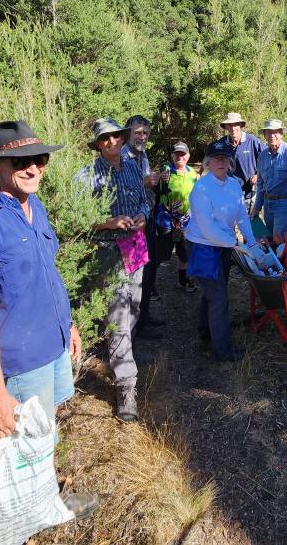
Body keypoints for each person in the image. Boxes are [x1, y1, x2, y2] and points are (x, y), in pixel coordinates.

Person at [0, 120, 99, 519]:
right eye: (20, 161)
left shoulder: (35, 207)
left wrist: (66, 324)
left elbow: (46, 274)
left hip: (52, 345)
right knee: (20, 446)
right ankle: (15, 523)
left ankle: (44, 503)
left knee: (42, 435)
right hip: (20, 362)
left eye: (39, 158)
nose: (33, 168)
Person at [75, 117, 150, 422]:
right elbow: (78, 218)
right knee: (118, 317)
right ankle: (126, 387)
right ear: (97, 144)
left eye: (116, 136)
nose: (113, 142)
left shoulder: (132, 166)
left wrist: (142, 216)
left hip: (137, 246)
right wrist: (108, 222)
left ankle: (120, 353)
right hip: (109, 252)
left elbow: (144, 201)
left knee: (132, 308)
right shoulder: (86, 175)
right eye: (105, 139)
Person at [185, 141, 256, 362]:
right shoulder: (202, 188)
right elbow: (207, 228)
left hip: (224, 245)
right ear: (207, 162)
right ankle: (222, 351)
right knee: (219, 298)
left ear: (230, 162)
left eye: (225, 158)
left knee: (215, 291)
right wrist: (235, 243)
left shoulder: (234, 184)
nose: (221, 162)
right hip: (203, 246)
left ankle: (204, 330)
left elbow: (242, 216)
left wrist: (251, 241)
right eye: (216, 158)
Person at [122, 115, 167, 341]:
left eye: (146, 133)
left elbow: (144, 183)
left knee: (148, 272)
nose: (142, 137)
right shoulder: (122, 156)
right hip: (130, 227)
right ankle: (132, 329)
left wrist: (155, 180)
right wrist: (145, 182)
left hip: (145, 220)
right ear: (127, 133)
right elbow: (121, 188)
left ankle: (143, 316)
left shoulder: (142, 154)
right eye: (138, 133)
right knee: (134, 276)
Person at [250, 118, 287, 246]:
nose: (272, 135)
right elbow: (260, 185)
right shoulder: (263, 156)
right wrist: (257, 207)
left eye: (276, 132)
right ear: (264, 135)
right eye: (269, 132)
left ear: (282, 133)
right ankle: (274, 265)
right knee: (268, 241)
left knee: (279, 241)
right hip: (267, 203)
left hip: (285, 204)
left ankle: (282, 266)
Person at [207, 112, 265, 212]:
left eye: (235, 124)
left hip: (249, 191)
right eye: (229, 125)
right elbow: (209, 158)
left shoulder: (252, 140)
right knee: (229, 223)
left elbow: (266, 157)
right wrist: (199, 173)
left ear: (240, 125)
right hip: (228, 190)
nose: (233, 128)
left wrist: (258, 175)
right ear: (226, 127)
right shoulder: (222, 143)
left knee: (249, 222)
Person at [161, 141, 199, 292]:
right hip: (167, 219)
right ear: (172, 156)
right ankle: (149, 284)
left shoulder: (192, 173)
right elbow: (160, 189)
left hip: (188, 220)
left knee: (184, 250)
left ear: (188, 156)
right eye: (177, 154)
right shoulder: (166, 171)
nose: (180, 157)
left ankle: (184, 281)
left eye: (183, 154)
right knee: (162, 252)